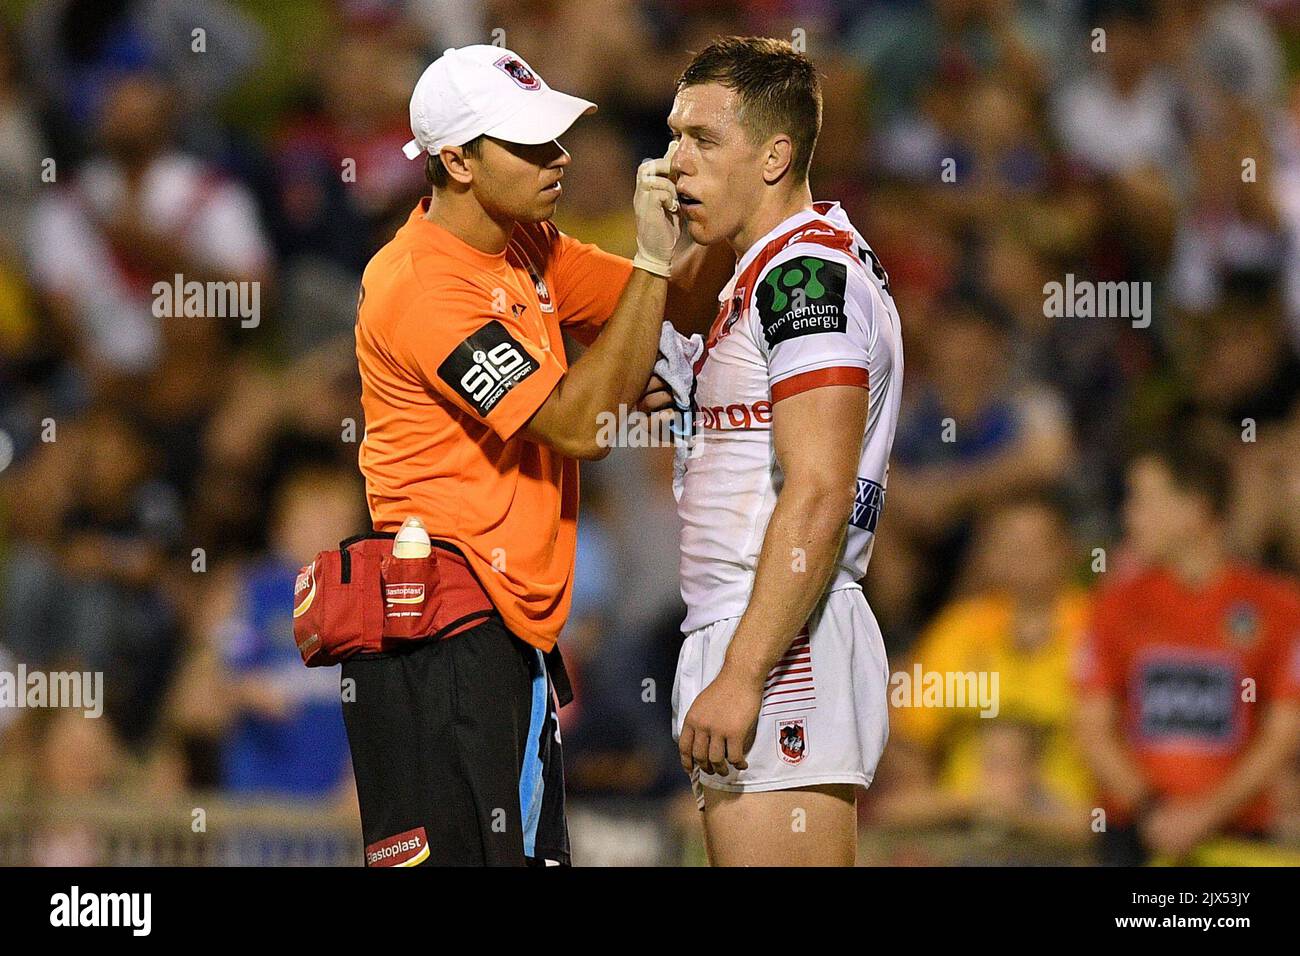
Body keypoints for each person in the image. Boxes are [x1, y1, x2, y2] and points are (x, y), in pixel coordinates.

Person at [345, 45, 682, 866]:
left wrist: (719, 204)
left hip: (505, 631)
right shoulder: (422, 283)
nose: (558, 157)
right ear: (456, 160)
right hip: (442, 640)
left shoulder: (526, 244)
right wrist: (650, 266)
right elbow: (580, 428)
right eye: (528, 144)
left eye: (555, 137)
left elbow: (661, 301)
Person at [668, 37, 904, 866]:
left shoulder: (806, 279)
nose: (674, 163)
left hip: (779, 641)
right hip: (755, 626)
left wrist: (743, 672)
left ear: (775, 156)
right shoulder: (759, 275)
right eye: (673, 136)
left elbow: (817, 491)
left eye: (703, 139)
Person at [1075, 444, 1300, 865]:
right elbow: (1092, 728)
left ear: (1195, 509)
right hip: (1133, 834)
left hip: (1241, 835)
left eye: (1143, 499)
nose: (1130, 515)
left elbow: (1284, 731)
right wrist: (1154, 808)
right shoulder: (1114, 606)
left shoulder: (1279, 608)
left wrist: (1207, 812)